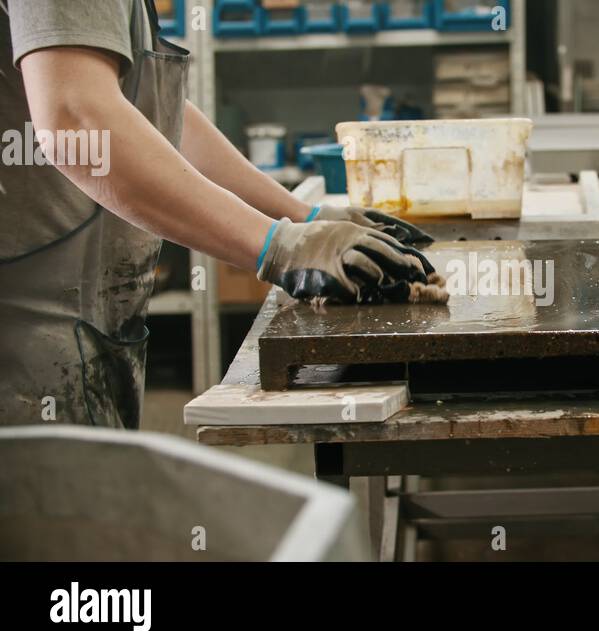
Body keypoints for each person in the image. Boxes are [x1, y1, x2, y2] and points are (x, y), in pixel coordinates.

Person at [0, 0, 435, 429]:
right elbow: (75, 119)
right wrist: (279, 247)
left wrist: (303, 217)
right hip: (24, 341)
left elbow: (154, 116)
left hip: (79, 326)